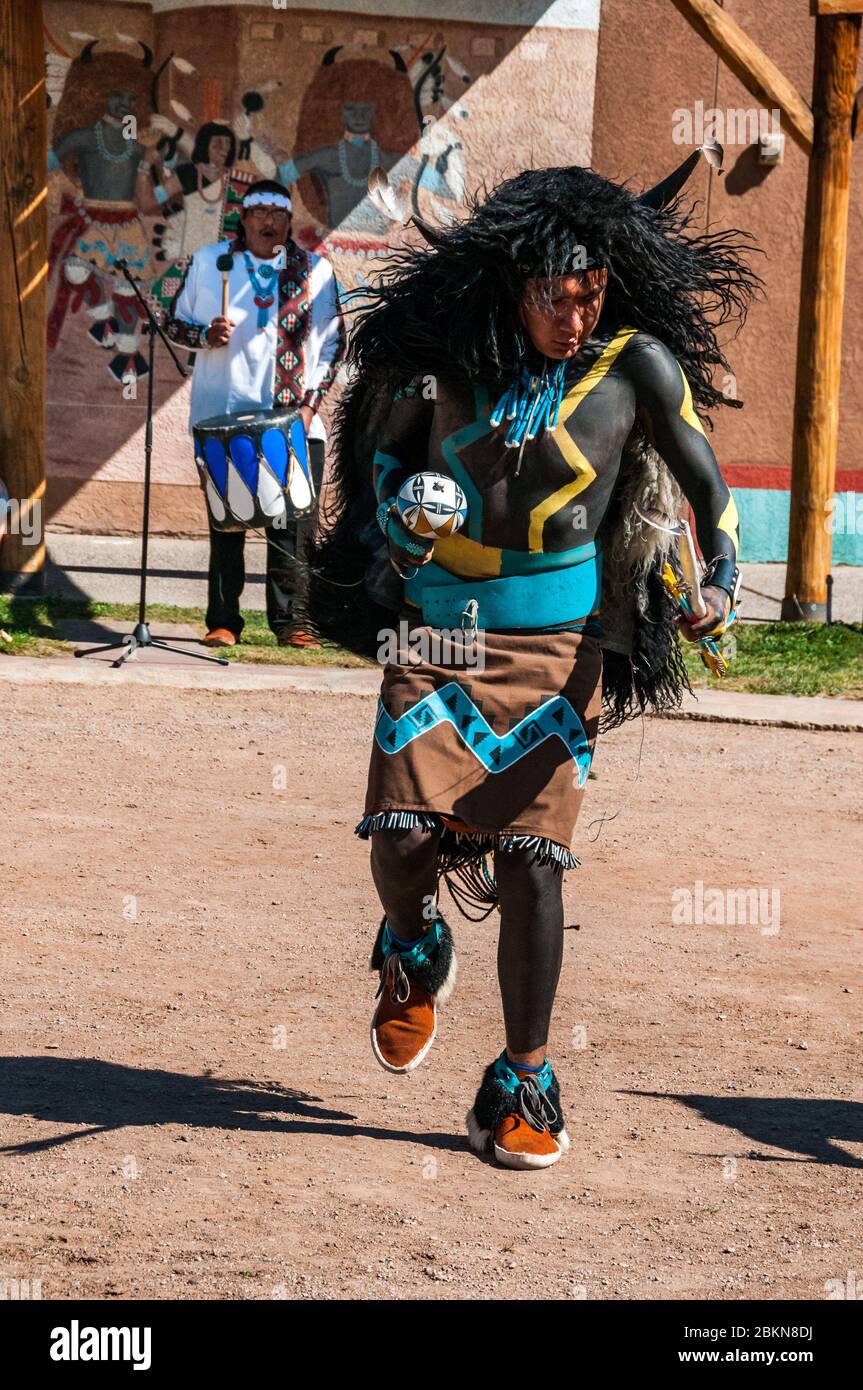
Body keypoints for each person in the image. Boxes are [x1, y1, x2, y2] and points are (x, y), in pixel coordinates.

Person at [306, 156, 757, 1170]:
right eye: (554, 291)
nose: (572, 308)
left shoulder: (635, 366)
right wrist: (398, 520)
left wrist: (716, 582)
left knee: (533, 862)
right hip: (440, 634)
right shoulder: (443, 359)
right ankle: (412, 943)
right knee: (400, 832)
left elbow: (708, 490)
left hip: (561, 646)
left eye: (588, 287)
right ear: (514, 283)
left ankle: (523, 1075)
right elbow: (383, 454)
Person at [164, 179, 345, 648]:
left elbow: (332, 343)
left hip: (293, 419)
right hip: (225, 417)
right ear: (242, 220)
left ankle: (294, 623)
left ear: (289, 222)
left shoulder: (315, 271)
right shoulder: (211, 263)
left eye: (277, 213)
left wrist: (308, 407)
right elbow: (173, 322)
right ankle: (223, 621)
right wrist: (205, 334)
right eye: (258, 212)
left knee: (293, 528)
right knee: (228, 524)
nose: (268, 221)